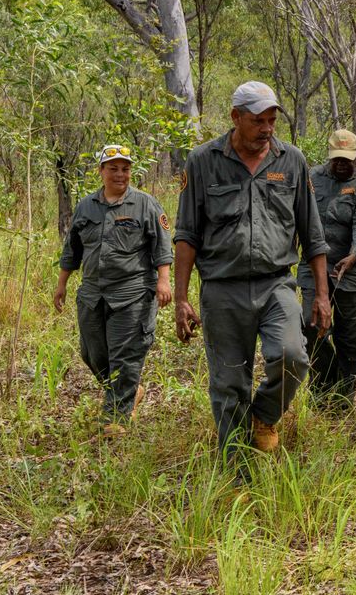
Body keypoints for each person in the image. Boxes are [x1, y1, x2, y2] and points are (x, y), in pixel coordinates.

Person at [172, 81, 332, 456]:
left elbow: (312, 233)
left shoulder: (291, 161)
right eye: (258, 121)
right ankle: (236, 467)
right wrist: (180, 298)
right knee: (229, 382)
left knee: (293, 356)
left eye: (272, 120)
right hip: (222, 288)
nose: (266, 129)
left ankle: (264, 415)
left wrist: (322, 295)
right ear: (235, 117)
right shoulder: (203, 161)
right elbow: (187, 235)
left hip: (276, 284)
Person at [53, 143, 173, 436]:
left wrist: (164, 280)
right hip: (93, 294)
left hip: (132, 293)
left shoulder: (146, 204)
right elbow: (72, 249)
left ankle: (116, 418)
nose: (120, 174)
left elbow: (162, 245)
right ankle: (129, 390)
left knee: (125, 355)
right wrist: (62, 284)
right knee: (92, 353)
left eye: (125, 169)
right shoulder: (86, 206)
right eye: (113, 169)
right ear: (101, 171)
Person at [299, 128, 356, 410]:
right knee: (311, 327)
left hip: (352, 269)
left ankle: (343, 397)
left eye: (347, 159)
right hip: (314, 267)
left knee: (353, 336)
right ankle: (323, 389)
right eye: (337, 159)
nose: (342, 164)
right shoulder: (312, 178)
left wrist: (355, 254)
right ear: (329, 155)